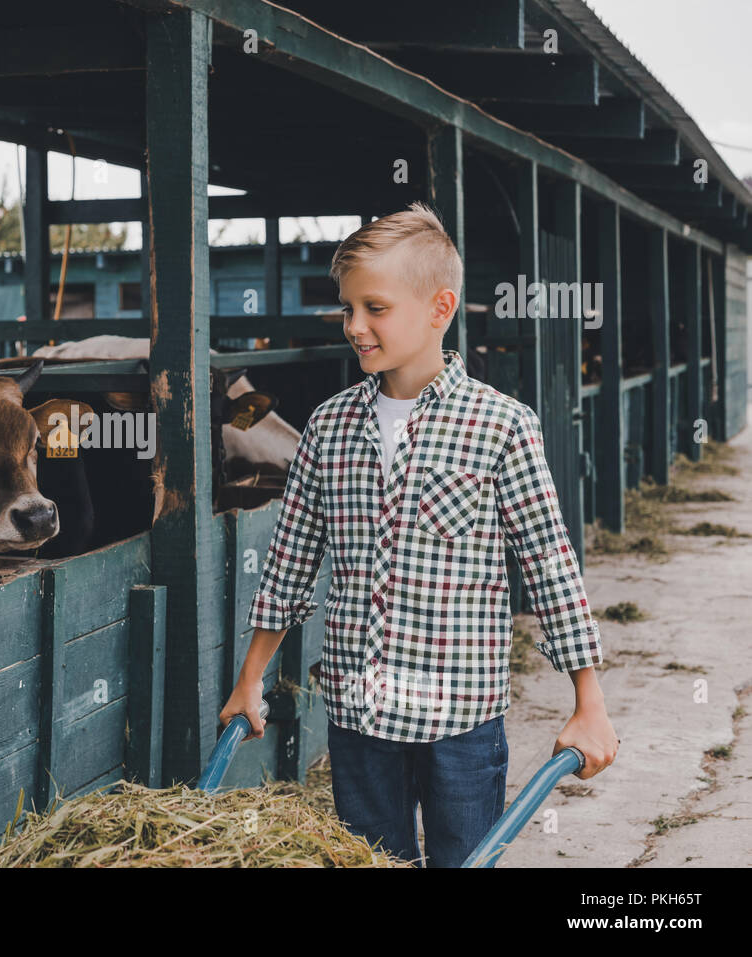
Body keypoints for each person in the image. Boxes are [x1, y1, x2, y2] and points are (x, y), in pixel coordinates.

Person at [219, 202, 618, 867]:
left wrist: (589, 701)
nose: (355, 326)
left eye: (374, 308)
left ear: (440, 309)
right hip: (357, 715)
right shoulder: (329, 426)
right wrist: (250, 677)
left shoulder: (501, 425)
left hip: (460, 718)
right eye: (347, 309)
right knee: (371, 860)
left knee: (466, 858)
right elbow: (289, 564)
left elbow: (549, 565)